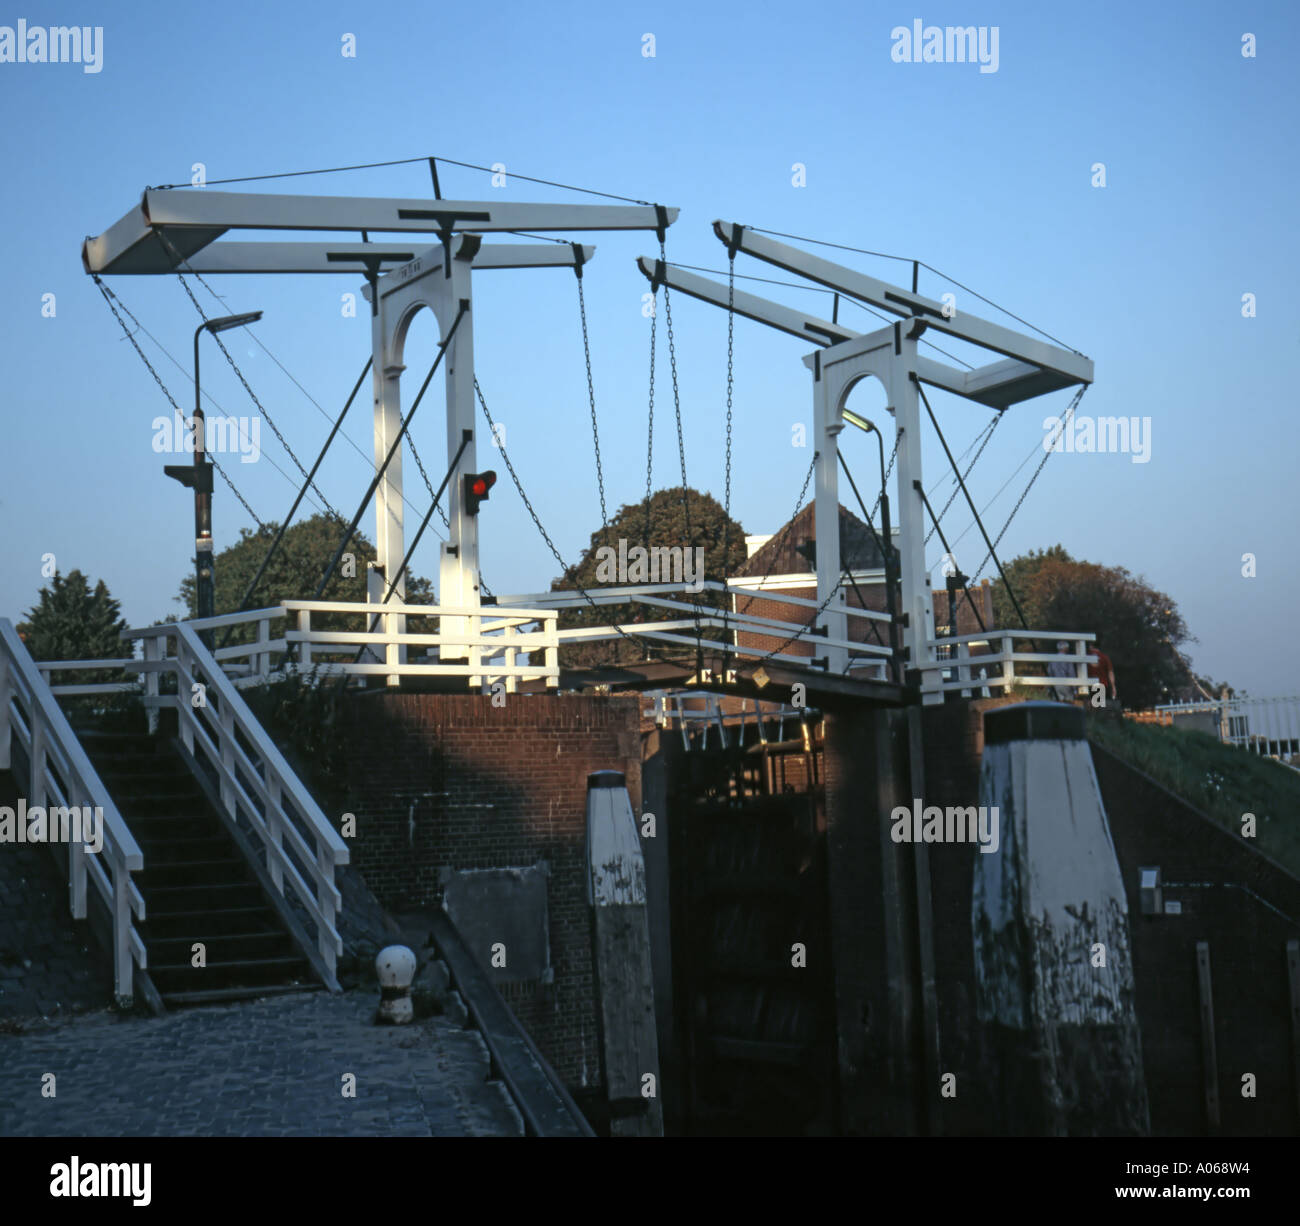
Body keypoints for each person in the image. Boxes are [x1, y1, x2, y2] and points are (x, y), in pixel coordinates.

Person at [1088, 639, 1119, 708]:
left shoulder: (1086, 657)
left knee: (1089, 707)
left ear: (1091, 646)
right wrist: (1113, 686)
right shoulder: (1104, 657)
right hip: (1101, 683)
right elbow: (1110, 672)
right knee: (1098, 707)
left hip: (1088, 684)